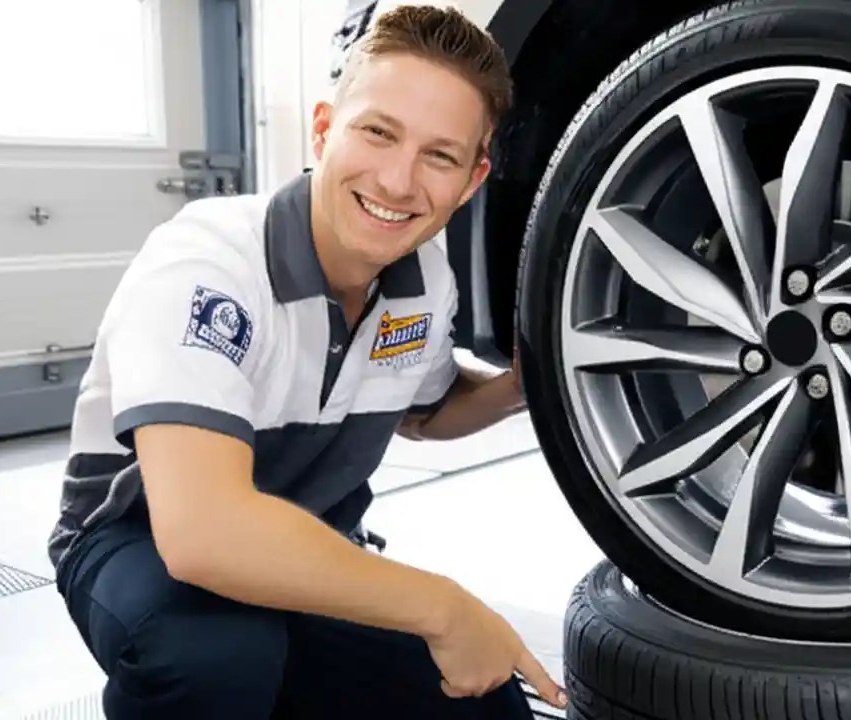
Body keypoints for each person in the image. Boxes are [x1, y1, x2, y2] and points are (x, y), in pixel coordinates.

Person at [44, 5, 566, 718]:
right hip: (142, 545)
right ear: (323, 129)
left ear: (472, 179)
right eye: (378, 133)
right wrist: (443, 606)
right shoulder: (209, 262)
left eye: (438, 156)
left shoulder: (424, 283)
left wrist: (519, 387)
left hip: (309, 545)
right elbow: (203, 536)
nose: (397, 181)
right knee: (215, 658)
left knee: (482, 701)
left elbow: (429, 411)